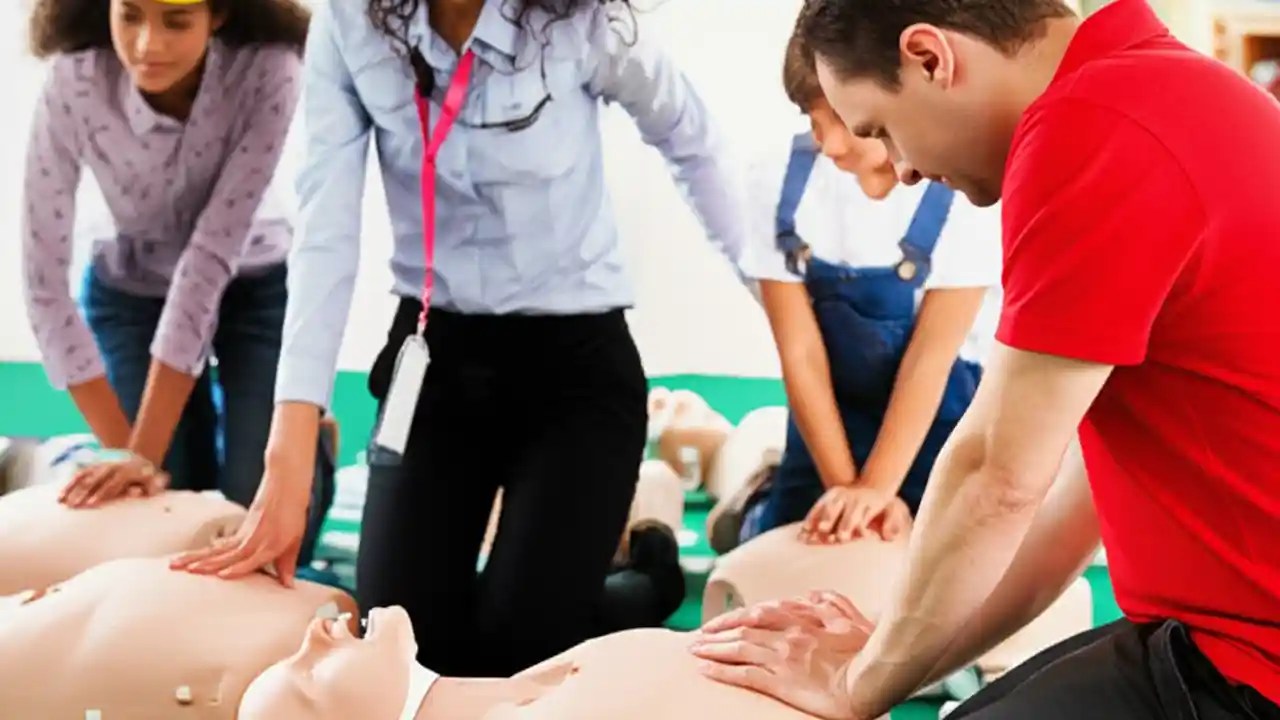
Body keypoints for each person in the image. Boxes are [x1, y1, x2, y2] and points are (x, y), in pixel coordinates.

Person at [688, 0, 1280, 718]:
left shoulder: (1091, 128)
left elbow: (997, 473)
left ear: (930, 57)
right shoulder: (1154, 85)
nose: (902, 169)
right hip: (1216, 632)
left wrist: (856, 685)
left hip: (1247, 666)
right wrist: (887, 655)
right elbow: (1072, 497)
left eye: (881, 129)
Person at [172, 0, 749, 679]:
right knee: (402, 650)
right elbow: (326, 228)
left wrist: (788, 312)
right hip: (432, 357)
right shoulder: (350, 22)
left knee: (518, 657)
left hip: (576, 370)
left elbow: (692, 141)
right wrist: (288, 453)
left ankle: (647, 580)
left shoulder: (586, 21)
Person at [19, 0, 332, 565]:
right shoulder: (74, 79)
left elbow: (206, 264)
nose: (147, 45)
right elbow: (43, 284)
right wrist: (132, 458)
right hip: (130, 288)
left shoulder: (271, 70)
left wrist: (141, 454)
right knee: (162, 503)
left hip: (252, 285)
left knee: (256, 519)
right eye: (129, 15)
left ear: (219, 14)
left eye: (177, 20)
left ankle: (315, 441)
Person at [740, 19, 1001, 545]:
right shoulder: (777, 179)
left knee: (942, 553)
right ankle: (755, 500)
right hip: (825, 428)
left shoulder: (955, 186)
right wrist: (846, 493)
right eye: (812, 121)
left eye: (840, 119)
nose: (829, 143)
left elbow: (930, 358)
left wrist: (878, 490)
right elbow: (800, 352)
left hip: (933, 426)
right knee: (780, 541)